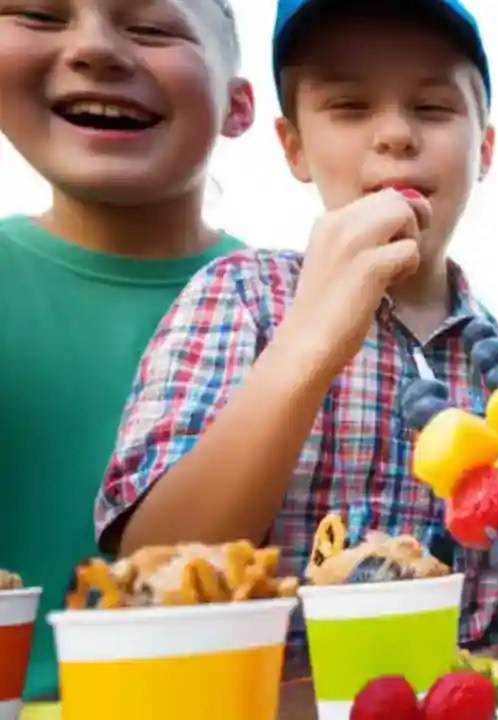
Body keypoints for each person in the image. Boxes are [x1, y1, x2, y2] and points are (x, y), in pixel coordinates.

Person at [96, 0, 498, 655]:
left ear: (484, 147)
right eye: (350, 107)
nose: (396, 134)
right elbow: (152, 568)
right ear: (293, 146)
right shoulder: (241, 296)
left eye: (433, 107)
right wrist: (307, 348)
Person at [0, 0, 252, 698]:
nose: (95, 50)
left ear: (239, 106)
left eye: (152, 28)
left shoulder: (307, 308)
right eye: (39, 15)